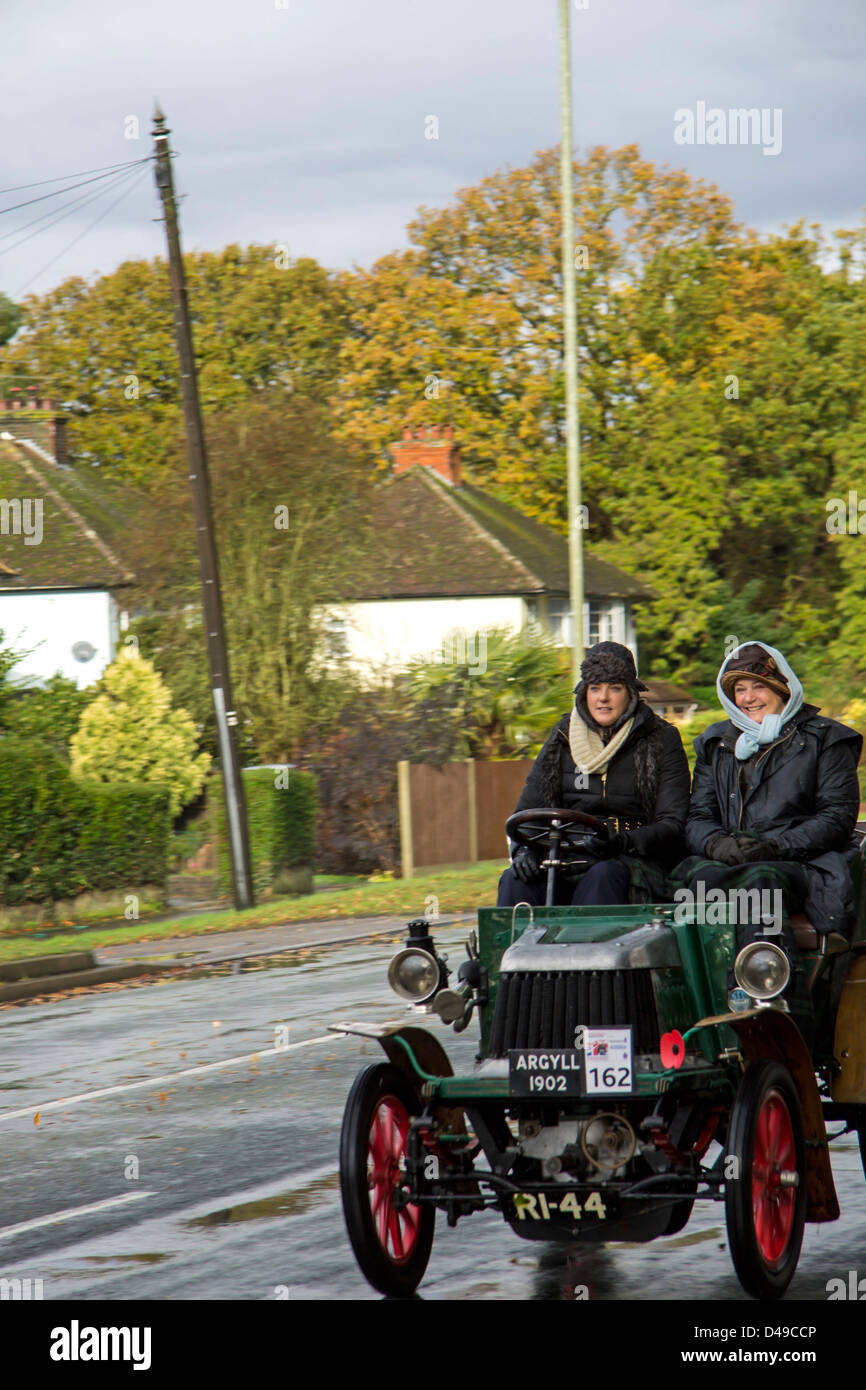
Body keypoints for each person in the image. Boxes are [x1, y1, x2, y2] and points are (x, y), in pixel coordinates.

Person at [677, 640, 863, 1047]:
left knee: (760, 881)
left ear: (782, 687)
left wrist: (773, 847)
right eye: (737, 689)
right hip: (728, 861)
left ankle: (778, 1017)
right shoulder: (717, 743)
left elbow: (836, 819)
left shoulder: (827, 739)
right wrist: (717, 846)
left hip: (802, 863)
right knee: (682, 887)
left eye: (756, 686)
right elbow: (696, 817)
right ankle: (685, 1015)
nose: (747, 698)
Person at [497, 641, 690, 907]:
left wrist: (622, 842)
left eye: (615, 688)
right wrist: (523, 852)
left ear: (631, 693)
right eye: (595, 688)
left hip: (631, 858)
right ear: (584, 693)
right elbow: (528, 812)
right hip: (565, 857)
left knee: (603, 875)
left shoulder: (661, 739)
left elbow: (672, 824)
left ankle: (588, 949)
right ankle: (511, 950)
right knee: (514, 880)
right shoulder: (561, 737)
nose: (603, 698)